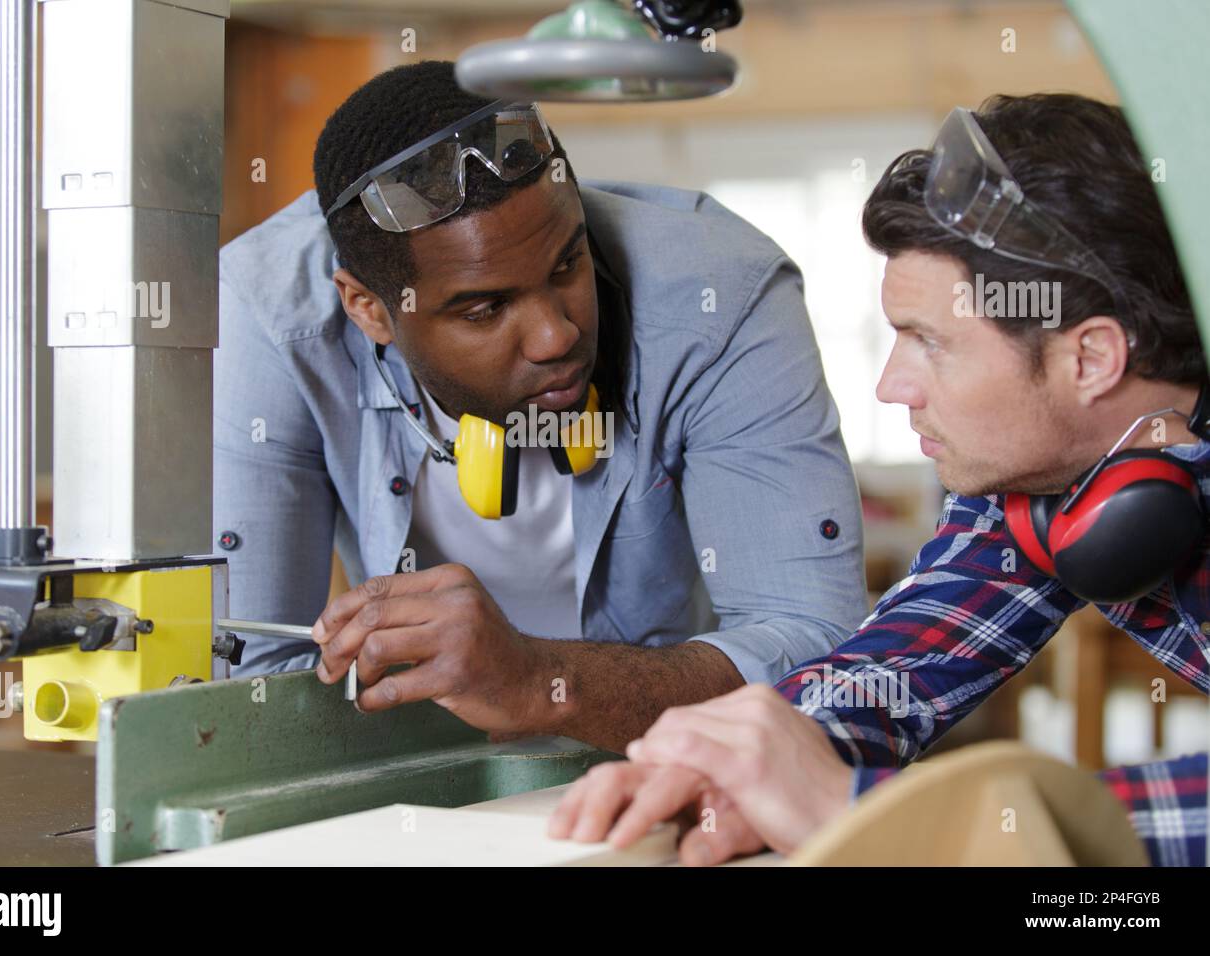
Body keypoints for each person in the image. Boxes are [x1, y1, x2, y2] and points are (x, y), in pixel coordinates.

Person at [550, 92, 1209, 864]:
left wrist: (875, 816)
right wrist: (744, 758)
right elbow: (900, 665)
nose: (892, 386)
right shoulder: (1035, 481)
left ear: (1090, 359)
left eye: (930, 343)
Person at [213, 61, 867, 750]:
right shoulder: (271, 322)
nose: (557, 335)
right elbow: (252, 676)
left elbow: (820, 657)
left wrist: (536, 682)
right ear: (369, 310)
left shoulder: (719, 294)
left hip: (667, 762)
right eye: (485, 308)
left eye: (567, 265)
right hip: (422, 773)